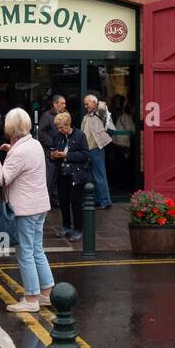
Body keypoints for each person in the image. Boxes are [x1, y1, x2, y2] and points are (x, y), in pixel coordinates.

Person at [0, 108, 54, 312]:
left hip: (25, 209)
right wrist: (10, 150)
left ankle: (30, 299)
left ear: (9, 128)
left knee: (25, 252)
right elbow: (23, 164)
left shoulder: (18, 152)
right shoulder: (34, 144)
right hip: (39, 207)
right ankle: (46, 293)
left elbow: (2, 178)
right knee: (37, 249)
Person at [51, 111, 91, 241]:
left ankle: (79, 230)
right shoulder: (58, 136)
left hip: (76, 174)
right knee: (63, 201)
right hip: (62, 173)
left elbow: (85, 155)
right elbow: (52, 151)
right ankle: (66, 227)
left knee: (75, 202)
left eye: (61, 127)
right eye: (58, 127)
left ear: (68, 124)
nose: (59, 130)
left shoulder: (80, 135)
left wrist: (66, 155)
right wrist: (53, 155)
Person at [81, 94, 114, 208]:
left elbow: (102, 106)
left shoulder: (100, 113)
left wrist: (97, 102)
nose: (86, 106)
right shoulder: (86, 117)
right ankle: (95, 200)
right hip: (87, 150)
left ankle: (105, 201)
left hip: (96, 149)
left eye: (87, 103)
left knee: (100, 176)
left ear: (94, 103)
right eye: (85, 104)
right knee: (90, 177)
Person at [37, 94, 66, 206]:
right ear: (55, 104)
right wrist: (53, 144)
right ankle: (45, 202)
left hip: (60, 151)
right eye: (62, 103)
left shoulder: (64, 115)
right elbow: (41, 133)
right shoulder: (46, 116)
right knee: (49, 177)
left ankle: (55, 200)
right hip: (49, 152)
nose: (64, 105)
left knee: (57, 178)